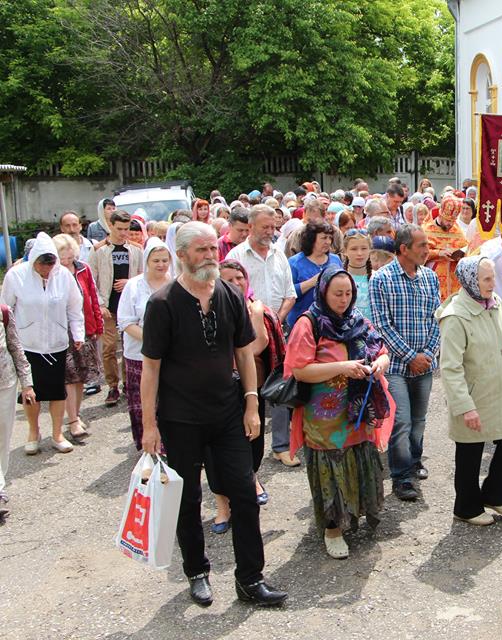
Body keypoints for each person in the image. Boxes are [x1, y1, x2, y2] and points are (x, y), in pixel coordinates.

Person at [139, 222, 287, 607]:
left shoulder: (230, 295)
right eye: (201, 250)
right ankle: (197, 572)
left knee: (244, 493)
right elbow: (151, 368)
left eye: (212, 249)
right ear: (182, 255)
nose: (210, 256)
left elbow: (244, 353)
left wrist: (252, 404)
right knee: (188, 499)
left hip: (227, 415)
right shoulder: (163, 303)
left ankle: (250, 580)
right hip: (180, 418)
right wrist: (149, 426)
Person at [286, 269, 389, 558]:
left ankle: (354, 513)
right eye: (337, 294)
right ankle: (332, 529)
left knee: (359, 458)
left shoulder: (358, 320)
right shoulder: (308, 324)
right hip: (325, 418)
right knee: (330, 467)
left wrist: (381, 362)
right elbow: (300, 370)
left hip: (357, 411)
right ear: (323, 292)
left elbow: (381, 349)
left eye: (348, 294)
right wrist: (342, 368)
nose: (343, 300)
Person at [437, 257, 502, 525]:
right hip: (475, 396)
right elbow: (450, 368)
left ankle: (496, 495)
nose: (492, 284)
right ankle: (467, 507)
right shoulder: (455, 316)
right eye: (486, 279)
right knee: (470, 453)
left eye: (492, 277)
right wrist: (465, 406)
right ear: (471, 280)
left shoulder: (494, 302)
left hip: (501, 391)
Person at [212, 260, 285, 531]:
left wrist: (253, 315)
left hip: (252, 387)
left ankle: (251, 480)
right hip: (217, 390)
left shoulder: (256, 309)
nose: (235, 283)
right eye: (227, 279)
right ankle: (222, 505)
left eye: (239, 278)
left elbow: (258, 345)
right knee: (215, 449)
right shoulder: (210, 309)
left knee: (252, 443)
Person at [370, 224, 441, 501]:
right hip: (397, 366)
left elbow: (437, 318)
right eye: (422, 245)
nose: (427, 250)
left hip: (424, 364)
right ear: (404, 249)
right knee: (401, 420)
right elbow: (381, 326)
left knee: (419, 420)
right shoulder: (382, 279)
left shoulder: (430, 277)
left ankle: (414, 459)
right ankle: (401, 476)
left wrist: (428, 355)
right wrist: (411, 357)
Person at [1, 233, 84, 454]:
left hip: (56, 343)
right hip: (28, 343)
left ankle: (57, 433)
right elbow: (5, 310)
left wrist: (77, 334)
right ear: (34, 260)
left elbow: (75, 307)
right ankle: (33, 431)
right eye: (41, 265)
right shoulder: (16, 276)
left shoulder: (64, 276)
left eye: (50, 265)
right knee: (31, 391)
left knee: (57, 390)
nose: (46, 269)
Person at [117, 238, 171, 450]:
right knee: (144, 401)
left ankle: (169, 442)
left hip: (169, 353)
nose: (160, 265)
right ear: (147, 261)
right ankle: (148, 443)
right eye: (156, 260)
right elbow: (126, 322)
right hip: (139, 353)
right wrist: (152, 338)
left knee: (168, 400)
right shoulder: (133, 285)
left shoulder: (175, 282)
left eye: (165, 260)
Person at [90, 210, 144, 407]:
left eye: (126, 229)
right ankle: (112, 385)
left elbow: (142, 277)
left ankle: (127, 384)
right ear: (110, 226)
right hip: (108, 306)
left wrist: (129, 282)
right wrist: (100, 304)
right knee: (109, 347)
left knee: (130, 346)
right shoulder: (98, 250)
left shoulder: (136, 249)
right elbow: (91, 281)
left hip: (129, 306)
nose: (123, 233)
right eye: (119, 229)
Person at [52, 234, 103, 440]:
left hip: (85, 328)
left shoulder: (83, 268)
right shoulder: (54, 274)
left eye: (69, 257)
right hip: (63, 331)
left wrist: (98, 325)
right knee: (69, 378)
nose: (66, 262)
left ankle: (76, 414)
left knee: (81, 376)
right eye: (62, 258)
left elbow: (92, 296)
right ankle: (72, 420)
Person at [225, 204, 296, 325]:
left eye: (273, 227)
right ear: (251, 226)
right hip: (247, 328)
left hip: (278, 327)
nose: (269, 232)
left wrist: (276, 320)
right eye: (265, 227)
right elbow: (228, 297)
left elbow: (290, 295)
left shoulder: (279, 254)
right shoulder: (235, 257)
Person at [0, 294, 34, 516]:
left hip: (5, 384)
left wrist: (27, 384)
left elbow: (15, 347)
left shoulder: (3, 312)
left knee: (2, 438)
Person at [288, 221, 343, 322]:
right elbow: (288, 293)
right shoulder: (294, 263)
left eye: (330, 238)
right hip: (302, 321)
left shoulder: (335, 260)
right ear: (312, 239)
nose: (328, 242)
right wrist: (312, 282)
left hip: (330, 322)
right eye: (323, 238)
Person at [423, 196, 468, 302]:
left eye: (453, 220)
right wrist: (438, 253)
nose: (450, 224)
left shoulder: (457, 229)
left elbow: (466, 248)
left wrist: (461, 255)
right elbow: (418, 253)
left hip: (454, 280)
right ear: (441, 214)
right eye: (448, 220)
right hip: (434, 277)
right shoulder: (426, 229)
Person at [342, 230, 374, 320]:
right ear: (345, 251)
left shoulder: (377, 277)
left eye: (364, 248)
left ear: (370, 250)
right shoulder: (338, 278)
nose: (359, 253)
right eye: (354, 249)